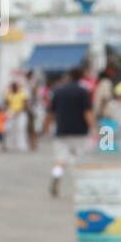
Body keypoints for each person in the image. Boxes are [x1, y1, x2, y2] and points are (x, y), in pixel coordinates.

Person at [44, 67, 94, 197]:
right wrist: (94, 129)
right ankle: (82, 186)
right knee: (80, 159)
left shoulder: (58, 91)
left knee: (60, 159)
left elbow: (50, 112)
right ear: (81, 77)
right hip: (80, 131)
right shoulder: (83, 91)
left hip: (62, 130)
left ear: (69, 76)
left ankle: (57, 174)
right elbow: (87, 112)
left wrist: (46, 126)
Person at [5, 80, 28, 152]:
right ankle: (10, 145)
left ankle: (22, 145)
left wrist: (18, 111)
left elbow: (25, 104)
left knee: (21, 129)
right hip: (11, 113)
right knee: (10, 129)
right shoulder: (9, 94)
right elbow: (7, 104)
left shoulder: (22, 93)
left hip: (21, 113)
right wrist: (10, 112)